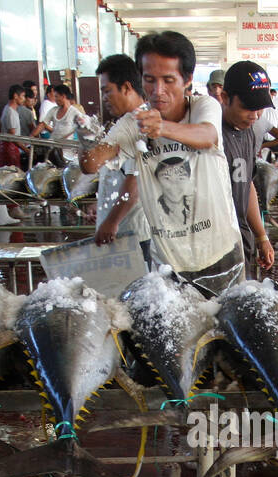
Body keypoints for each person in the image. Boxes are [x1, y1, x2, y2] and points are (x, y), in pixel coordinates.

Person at [80, 31, 243, 296]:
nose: (158, 91)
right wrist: (89, 144)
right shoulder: (133, 123)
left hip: (220, 253)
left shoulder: (204, 106)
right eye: (149, 80)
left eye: (168, 80)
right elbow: (93, 162)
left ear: (187, 79)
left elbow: (207, 135)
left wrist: (162, 127)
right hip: (168, 264)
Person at [91, 53, 151, 267]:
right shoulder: (125, 123)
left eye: (107, 91)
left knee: (135, 295)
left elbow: (135, 181)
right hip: (123, 231)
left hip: (133, 233)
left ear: (126, 87)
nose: (105, 99)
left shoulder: (140, 123)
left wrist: (111, 221)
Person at [220, 60, 277, 278]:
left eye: (259, 108)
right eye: (247, 107)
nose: (254, 116)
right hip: (217, 247)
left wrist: (261, 235)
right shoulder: (212, 134)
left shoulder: (248, 132)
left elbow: (247, 183)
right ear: (225, 98)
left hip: (242, 241)